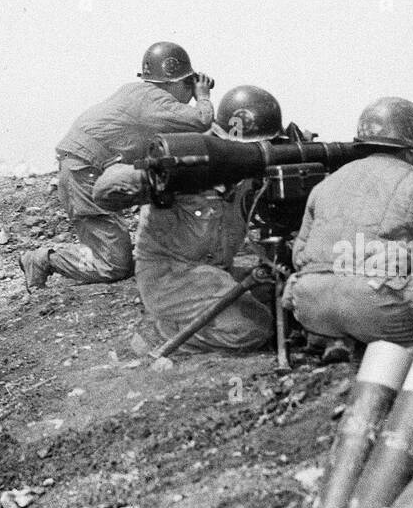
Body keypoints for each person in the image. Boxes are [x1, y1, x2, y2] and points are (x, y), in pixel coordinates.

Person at [284, 97, 413, 352]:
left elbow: (299, 255)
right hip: (374, 304)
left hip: (310, 303)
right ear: (412, 150)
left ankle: (338, 341)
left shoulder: (325, 185)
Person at [91, 85, 283, 354]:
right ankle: (160, 335)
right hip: (169, 277)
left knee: (282, 297)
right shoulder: (188, 164)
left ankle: (191, 317)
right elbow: (104, 191)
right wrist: (154, 175)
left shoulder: (251, 178)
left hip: (214, 273)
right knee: (252, 330)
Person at [17, 42, 214, 289]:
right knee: (114, 265)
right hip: (84, 174)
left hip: (91, 169)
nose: (190, 92)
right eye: (187, 84)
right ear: (170, 81)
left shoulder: (139, 95)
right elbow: (201, 120)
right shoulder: (152, 98)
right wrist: (203, 96)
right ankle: (43, 259)